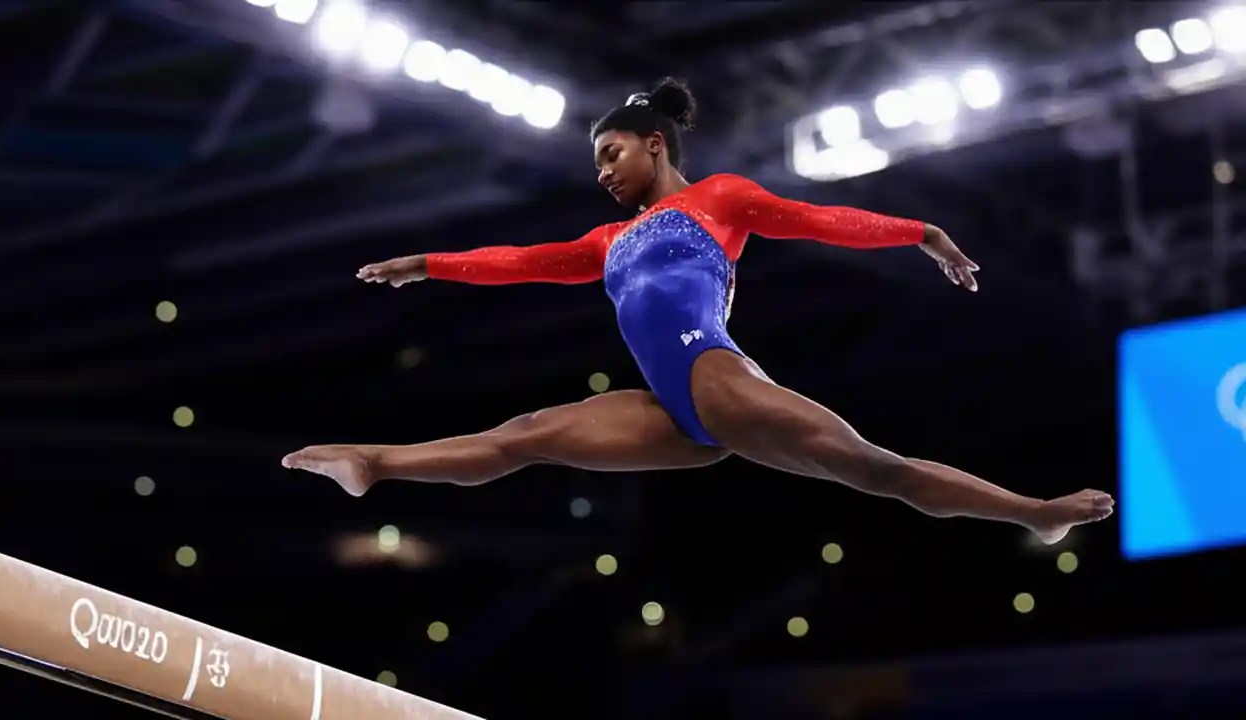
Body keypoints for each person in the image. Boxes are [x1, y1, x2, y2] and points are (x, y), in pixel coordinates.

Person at [283, 77, 1112, 545]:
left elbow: (818, 219)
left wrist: (921, 231)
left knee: (873, 469)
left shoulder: (720, 199)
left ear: (655, 144)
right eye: (596, 161)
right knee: (524, 437)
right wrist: (426, 264)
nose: (602, 171)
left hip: (713, 374)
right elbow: (521, 263)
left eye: (612, 153)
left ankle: (1033, 514)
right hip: (671, 411)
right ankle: (371, 460)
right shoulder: (608, 240)